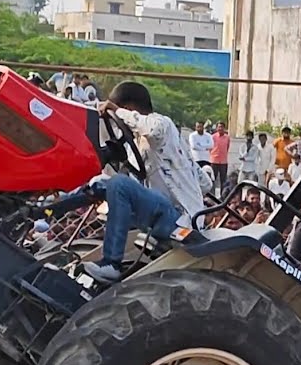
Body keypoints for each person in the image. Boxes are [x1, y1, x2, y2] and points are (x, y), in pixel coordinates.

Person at [82, 82, 212, 283]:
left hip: (178, 219)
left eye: (119, 114)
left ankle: (111, 264)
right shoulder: (143, 145)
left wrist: (118, 112)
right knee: (98, 185)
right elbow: (206, 185)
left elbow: (153, 130)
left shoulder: (162, 124)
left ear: (129, 109)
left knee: (119, 185)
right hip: (160, 212)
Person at [209, 122, 231, 194]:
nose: (220, 128)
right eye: (219, 127)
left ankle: (223, 196)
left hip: (223, 162)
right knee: (213, 179)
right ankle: (212, 195)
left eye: (222, 127)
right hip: (214, 161)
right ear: (216, 128)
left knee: (223, 180)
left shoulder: (227, 138)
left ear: (224, 128)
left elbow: (227, 148)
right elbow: (210, 148)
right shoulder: (212, 137)